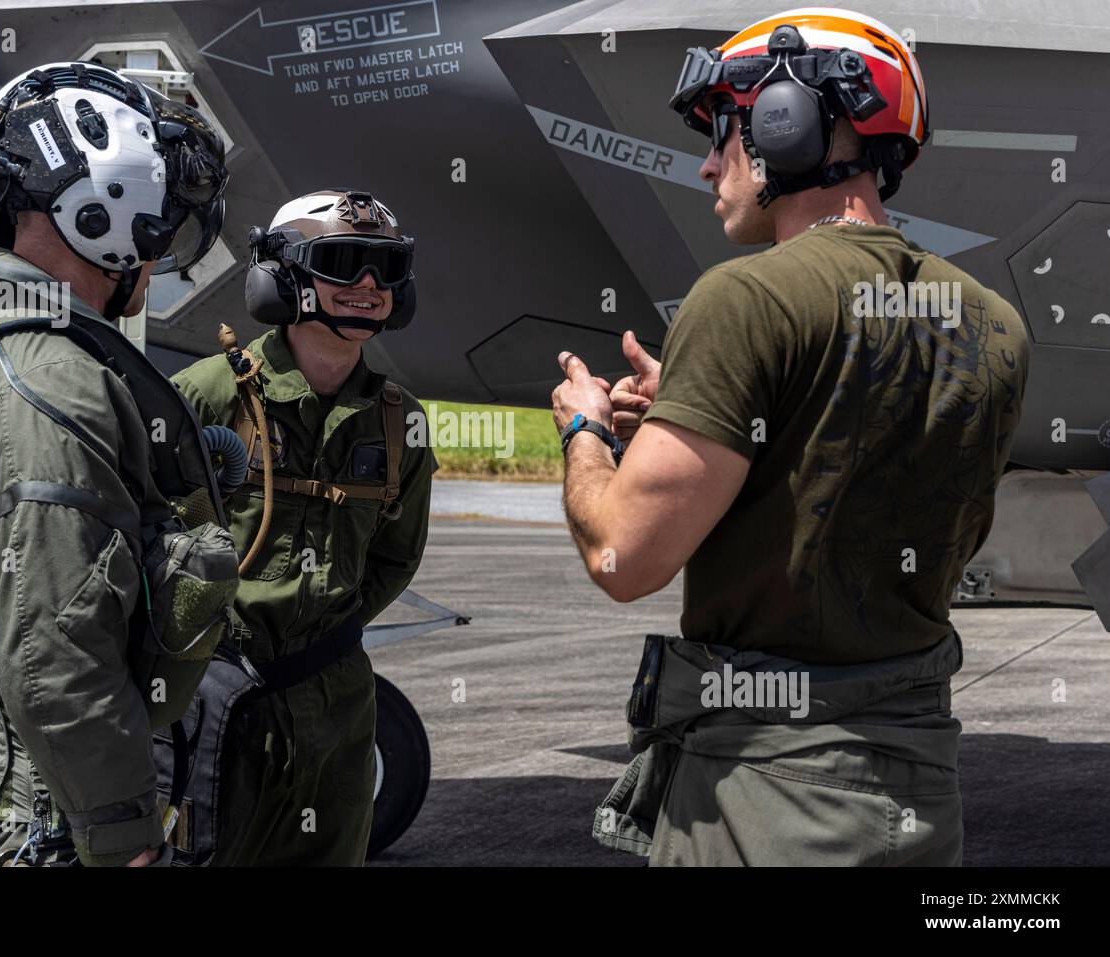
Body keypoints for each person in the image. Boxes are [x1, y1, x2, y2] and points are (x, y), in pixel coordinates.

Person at [550, 8, 1029, 865]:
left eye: (723, 133)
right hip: (921, 792)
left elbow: (624, 556)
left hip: (768, 799)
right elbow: (856, 454)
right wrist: (706, 408)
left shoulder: (743, 299)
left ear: (786, 119)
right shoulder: (990, 322)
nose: (707, 164)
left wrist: (584, 431)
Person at [0, 62, 231, 867]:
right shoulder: (55, 383)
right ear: (106, 208)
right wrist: (124, 839)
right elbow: (54, 653)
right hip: (40, 829)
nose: (158, 242)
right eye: (159, 216)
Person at [172, 188, 435, 865]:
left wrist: (318, 632)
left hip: (336, 708)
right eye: (344, 262)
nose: (370, 285)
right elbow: (150, 539)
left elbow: (393, 560)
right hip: (213, 700)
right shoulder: (207, 396)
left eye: (387, 267)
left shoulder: (399, 423)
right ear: (284, 274)